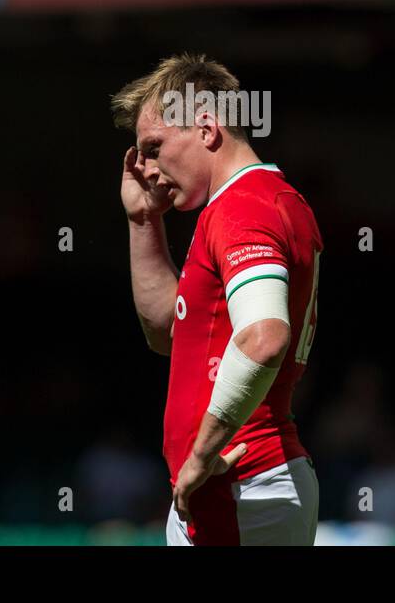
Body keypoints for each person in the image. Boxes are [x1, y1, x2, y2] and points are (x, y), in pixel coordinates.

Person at [111, 53, 322, 545]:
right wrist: (144, 221)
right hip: (235, 484)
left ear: (206, 126)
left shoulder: (243, 207)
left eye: (154, 146)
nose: (146, 166)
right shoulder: (259, 201)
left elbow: (264, 337)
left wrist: (203, 453)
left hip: (240, 483)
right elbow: (169, 334)